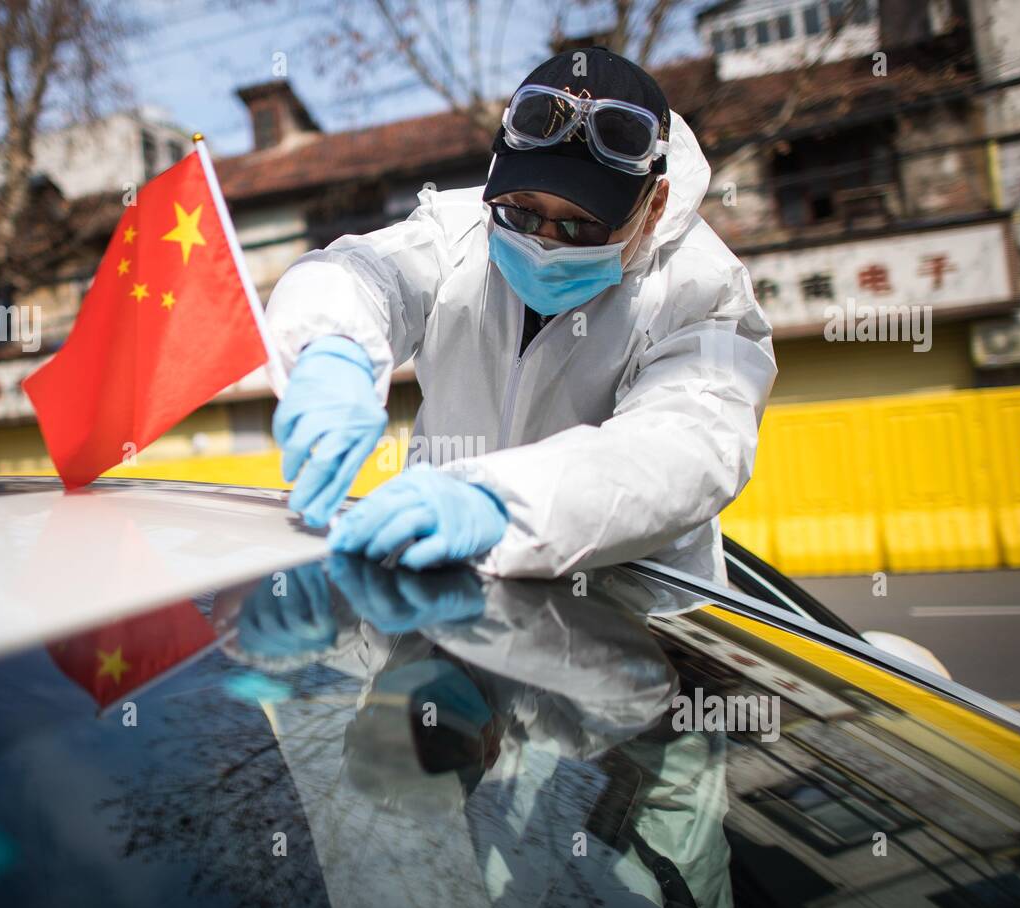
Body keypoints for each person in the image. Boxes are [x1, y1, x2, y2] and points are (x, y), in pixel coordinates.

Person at [265, 46, 776, 580]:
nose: (544, 243)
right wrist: (333, 347)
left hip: (631, 614)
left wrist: (500, 505)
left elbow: (686, 447)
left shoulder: (702, 290)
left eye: (582, 226)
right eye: (523, 210)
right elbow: (363, 273)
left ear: (653, 206)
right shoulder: (459, 231)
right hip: (443, 592)